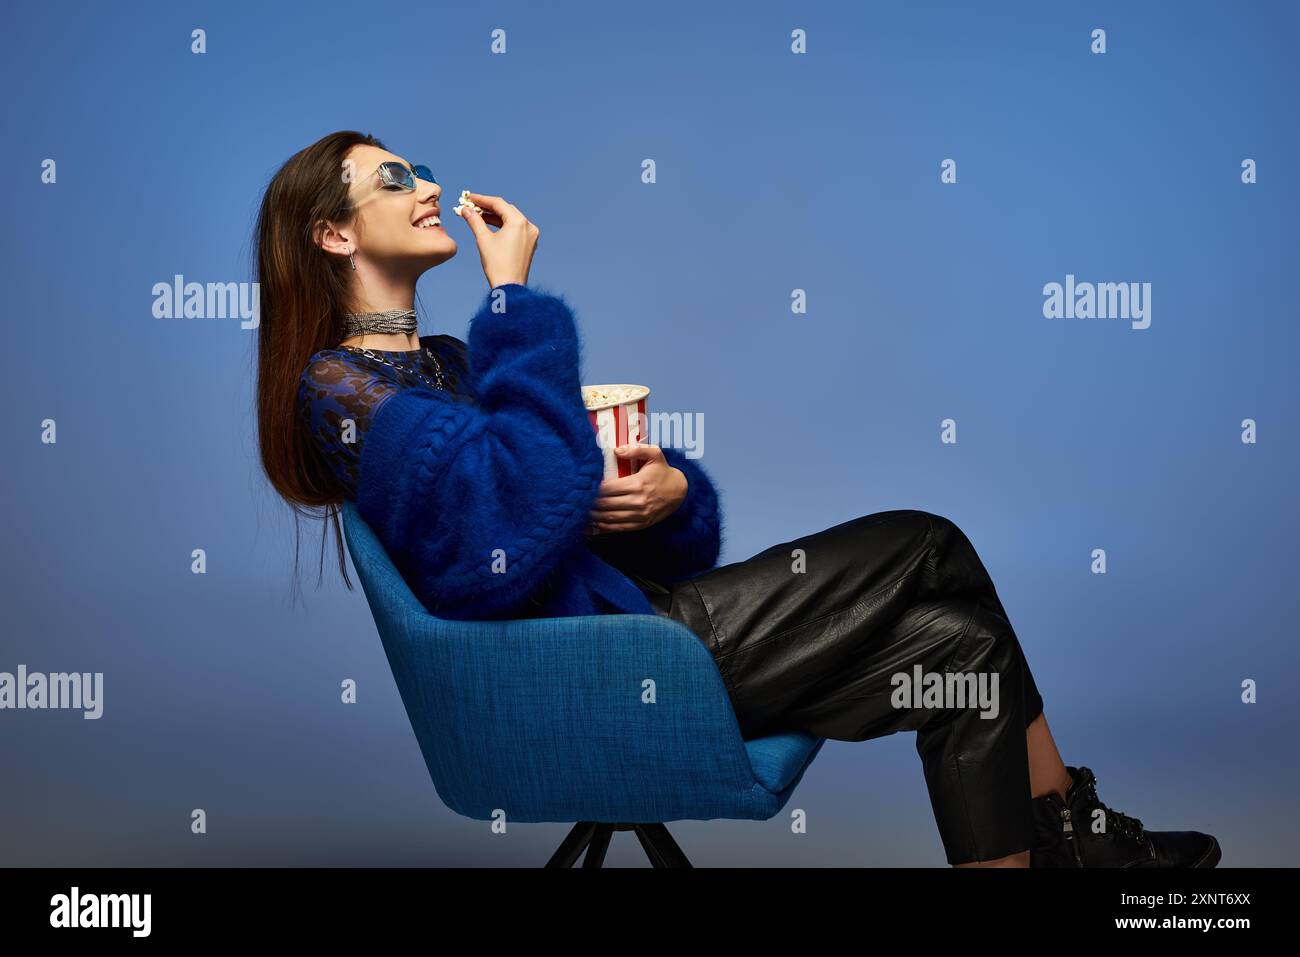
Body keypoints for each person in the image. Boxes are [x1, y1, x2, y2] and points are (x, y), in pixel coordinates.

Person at [255, 130, 1221, 868]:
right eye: (394, 179)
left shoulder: (447, 366)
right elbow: (513, 517)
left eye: (419, 169)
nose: (427, 186)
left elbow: (553, 509)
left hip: (633, 622)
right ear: (333, 233)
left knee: (959, 650)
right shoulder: (343, 393)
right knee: (931, 540)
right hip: (606, 665)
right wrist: (512, 294)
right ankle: (1077, 833)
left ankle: (1057, 842)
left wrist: (668, 497)